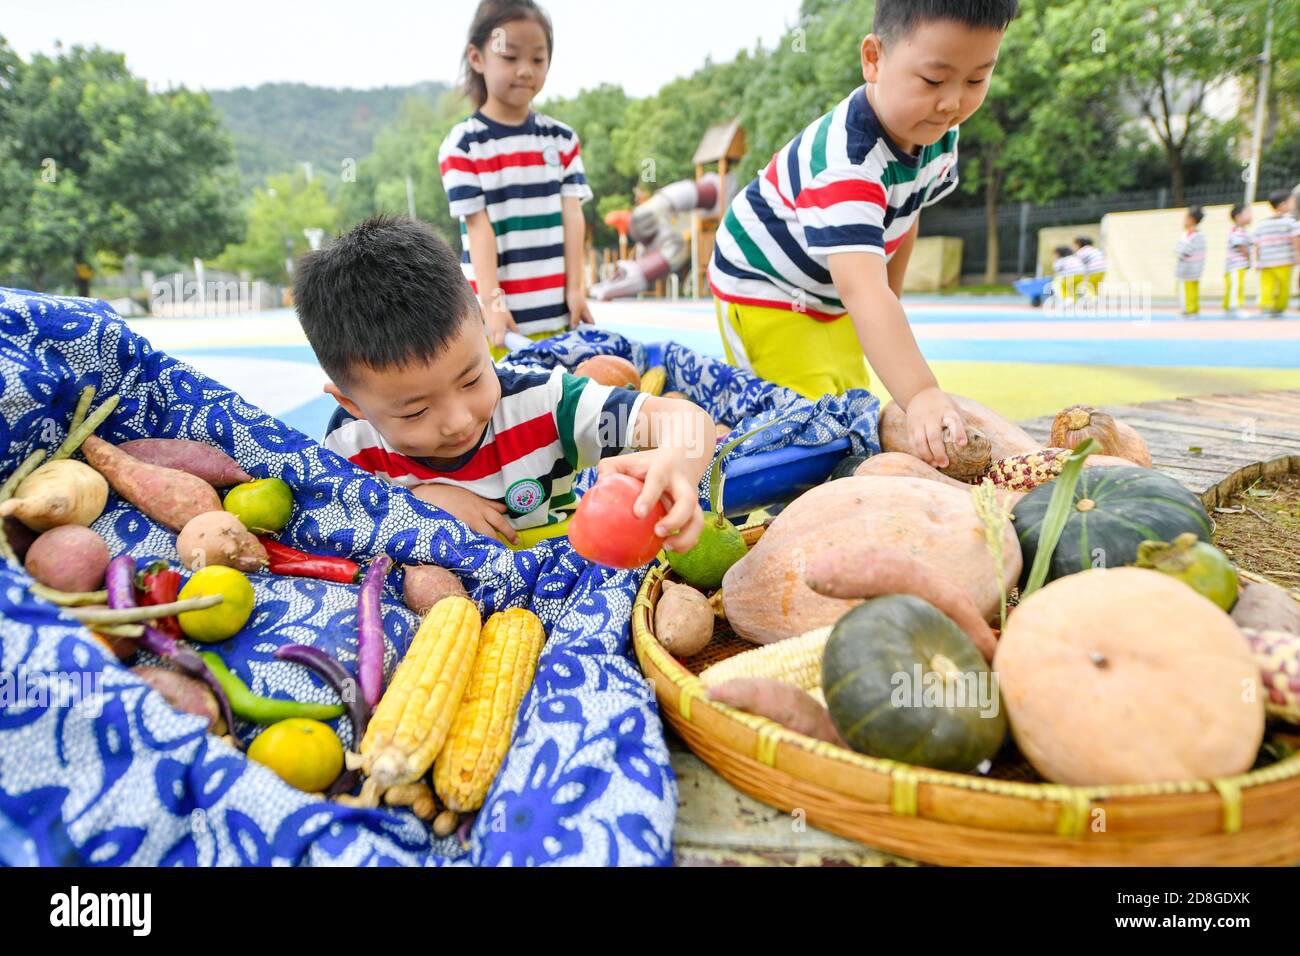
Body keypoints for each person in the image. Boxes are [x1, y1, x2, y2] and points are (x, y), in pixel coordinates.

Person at [707, 0, 1020, 469]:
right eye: (934, 80)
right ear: (873, 59)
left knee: (853, 408)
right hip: (766, 288)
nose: (953, 102)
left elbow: (907, 213)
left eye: (976, 79)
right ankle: (753, 495)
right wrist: (922, 393)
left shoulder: (935, 130)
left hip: (833, 285)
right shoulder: (847, 164)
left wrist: (888, 299)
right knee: (803, 430)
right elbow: (864, 292)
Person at [294, 215, 712, 553]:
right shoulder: (350, 445)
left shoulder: (545, 408)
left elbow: (685, 421)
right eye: (415, 411)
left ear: (480, 324)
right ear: (352, 404)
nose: (458, 421)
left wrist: (678, 461)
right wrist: (419, 504)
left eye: (472, 378)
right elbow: (331, 525)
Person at [438, 0, 594, 360]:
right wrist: (494, 305)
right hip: (495, 322)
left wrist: (576, 291)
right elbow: (478, 228)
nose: (525, 70)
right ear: (477, 59)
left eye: (538, 60)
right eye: (510, 57)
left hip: (557, 313)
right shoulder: (464, 144)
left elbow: (573, 216)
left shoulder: (562, 140)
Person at [1254, 189, 1299, 318]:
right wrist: (1298, 254)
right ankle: (1279, 307)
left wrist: (1257, 260)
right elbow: (1295, 239)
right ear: (1282, 205)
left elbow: (1258, 243)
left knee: (1266, 285)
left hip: (1266, 261)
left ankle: (1266, 306)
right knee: (1284, 285)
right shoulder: (1290, 222)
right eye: (1292, 202)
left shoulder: (1262, 224)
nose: (1294, 205)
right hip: (1284, 260)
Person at [1173, 206, 1206, 318]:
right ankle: (1193, 309)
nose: (1184, 220)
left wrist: (1179, 250)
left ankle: (1187, 310)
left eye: (1186, 218)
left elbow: (1181, 250)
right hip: (1193, 270)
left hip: (1187, 270)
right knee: (1192, 290)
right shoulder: (1195, 235)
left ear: (1191, 219)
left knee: (1185, 290)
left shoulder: (1191, 236)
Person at [1223, 203, 1254, 319]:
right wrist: (1248, 258)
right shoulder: (1236, 231)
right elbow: (1241, 247)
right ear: (1238, 216)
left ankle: (1230, 308)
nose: (1251, 216)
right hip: (1235, 265)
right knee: (1235, 286)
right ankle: (1234, 308)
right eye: (1248, 213)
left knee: (1236, 286)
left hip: (1239, 266)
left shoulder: (1243, 231)